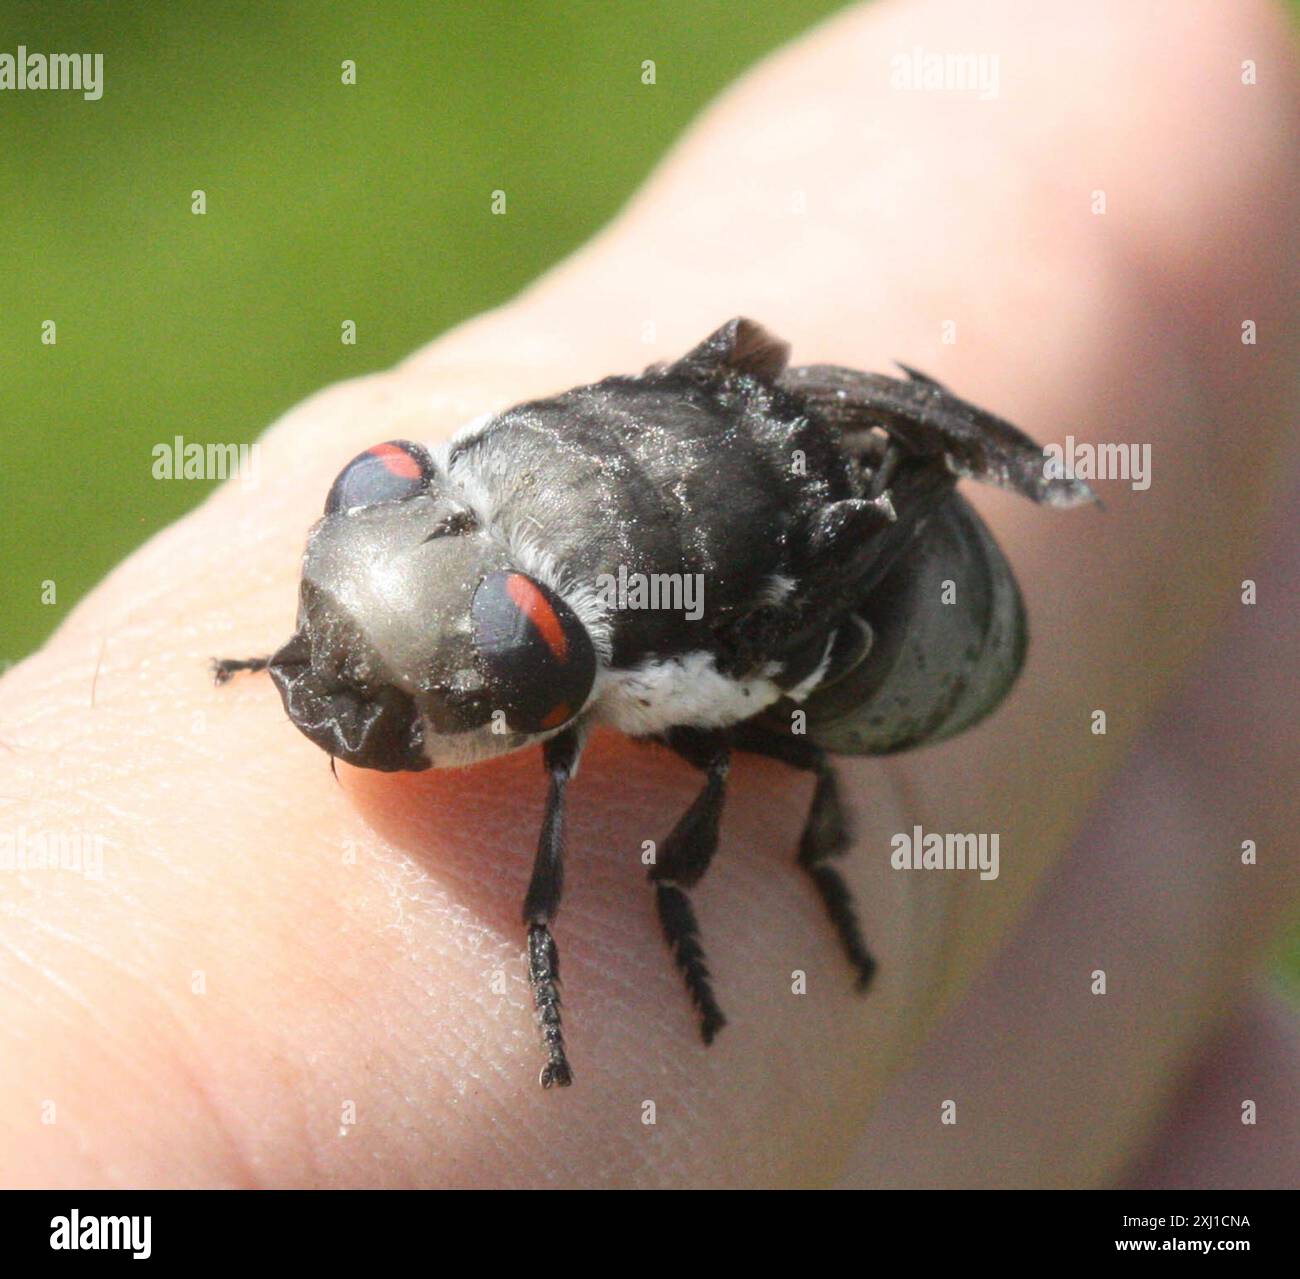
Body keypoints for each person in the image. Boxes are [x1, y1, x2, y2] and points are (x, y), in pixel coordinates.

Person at [1, 0, 1296, 1188]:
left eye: (519, 650)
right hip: (754, 475)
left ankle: (792, 859)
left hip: (910, 618)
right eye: (387, 485)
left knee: (764, 757)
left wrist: (659, 902)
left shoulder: (678, 643)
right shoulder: (513, 501)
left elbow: (723, 722)